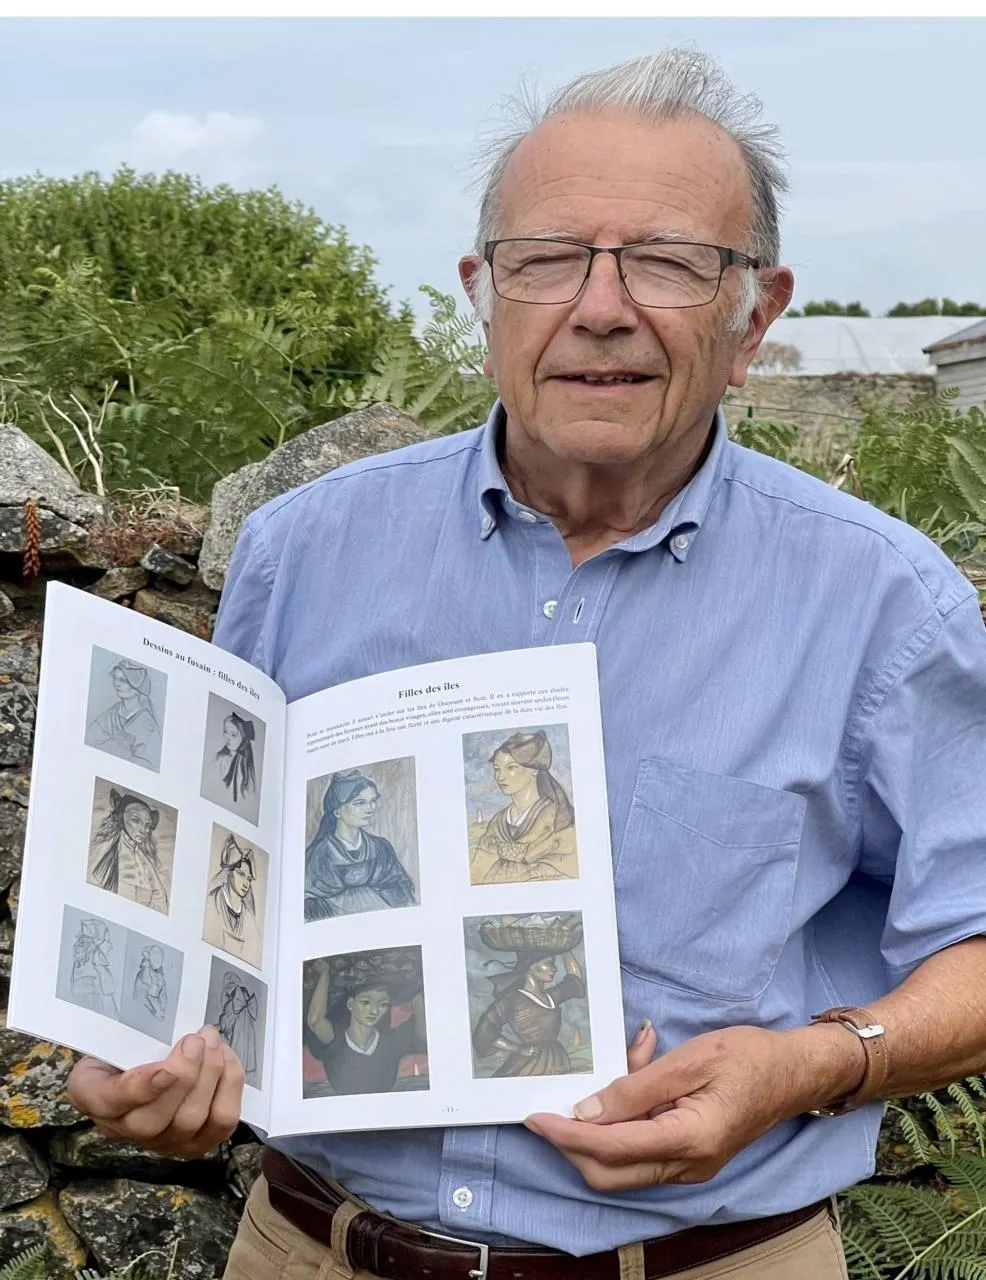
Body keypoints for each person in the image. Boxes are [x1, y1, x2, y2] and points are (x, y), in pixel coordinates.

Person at [67, 46, 986, 1280]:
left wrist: (819, 1059)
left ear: (752, 315)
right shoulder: (304, 551)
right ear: (481, 290)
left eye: (665, 260)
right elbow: (213, 894)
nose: (598, 306)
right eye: (547, 258)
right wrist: (140, 1042)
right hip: (308, 1245)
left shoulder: (885, 602)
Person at [304, 769, 417, 920]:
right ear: (337, 811)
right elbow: (311, 905)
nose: (370, 809)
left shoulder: (382, 848)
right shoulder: (319, 855)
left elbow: (401, 888)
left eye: (373, 801)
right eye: (360, 803)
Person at [304, 961, 427, 1096]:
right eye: (366, 1002)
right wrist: (324, 974)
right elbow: (315, 1021)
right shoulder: (337, 1039)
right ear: (351, 1004)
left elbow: (422, 1035)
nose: (374, 1011)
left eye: (383, 1004)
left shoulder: (391, 1042)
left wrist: (417, 997)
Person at [473, 729, 578, 882]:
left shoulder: (558, 819)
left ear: (534, 769)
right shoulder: (498, 822)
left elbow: (569, 870)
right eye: (497, 769)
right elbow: (477, 871)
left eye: (511, 768)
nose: (500, 777)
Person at [472, 948, 586, 1076]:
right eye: (548, 964)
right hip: (530, 1061)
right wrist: (519, 1049)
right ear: (530, 967)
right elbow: (484, 1032)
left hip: (558, 1058)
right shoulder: (511, 1000)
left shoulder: (552, 996)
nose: (554, 969)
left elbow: (575, 979)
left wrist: (566, 949)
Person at [87, 789, 170, 914]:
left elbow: (161, 899)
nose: (144, 830)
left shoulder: (145, 863)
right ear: (121, 819)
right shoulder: (102, 851)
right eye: (136, 821)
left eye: (147, 825)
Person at [87, 658, 162, 769]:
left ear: (137, 688)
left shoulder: (147, 725)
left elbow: (147, 763)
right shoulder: (112, 713)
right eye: (115, 678)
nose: (117, 684)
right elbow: (91, 738)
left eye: (123, 680)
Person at [202, 832, 264, 967]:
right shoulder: (211, 903)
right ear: (229, 873)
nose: (246, 883)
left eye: (249, 878)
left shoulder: (248, 918)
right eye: (241, 874)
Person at [215, 711, 256, 804]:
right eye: (225, 732)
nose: (228, 738)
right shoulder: (221, 757)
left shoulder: (244, 764)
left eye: (233, 735)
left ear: (243, 739)